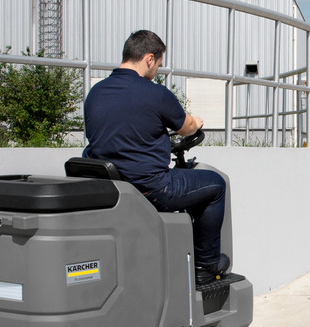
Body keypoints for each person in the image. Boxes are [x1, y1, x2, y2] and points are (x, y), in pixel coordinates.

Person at [83, 29, 229, 281]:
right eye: (158, 64)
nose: (157, 71)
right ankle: (205, 264)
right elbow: (187, 127)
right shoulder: (155, 93)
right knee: (215, 185)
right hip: (151, 187)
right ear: (149, 58)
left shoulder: (96, 92)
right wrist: (196, 120)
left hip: (111, 185)